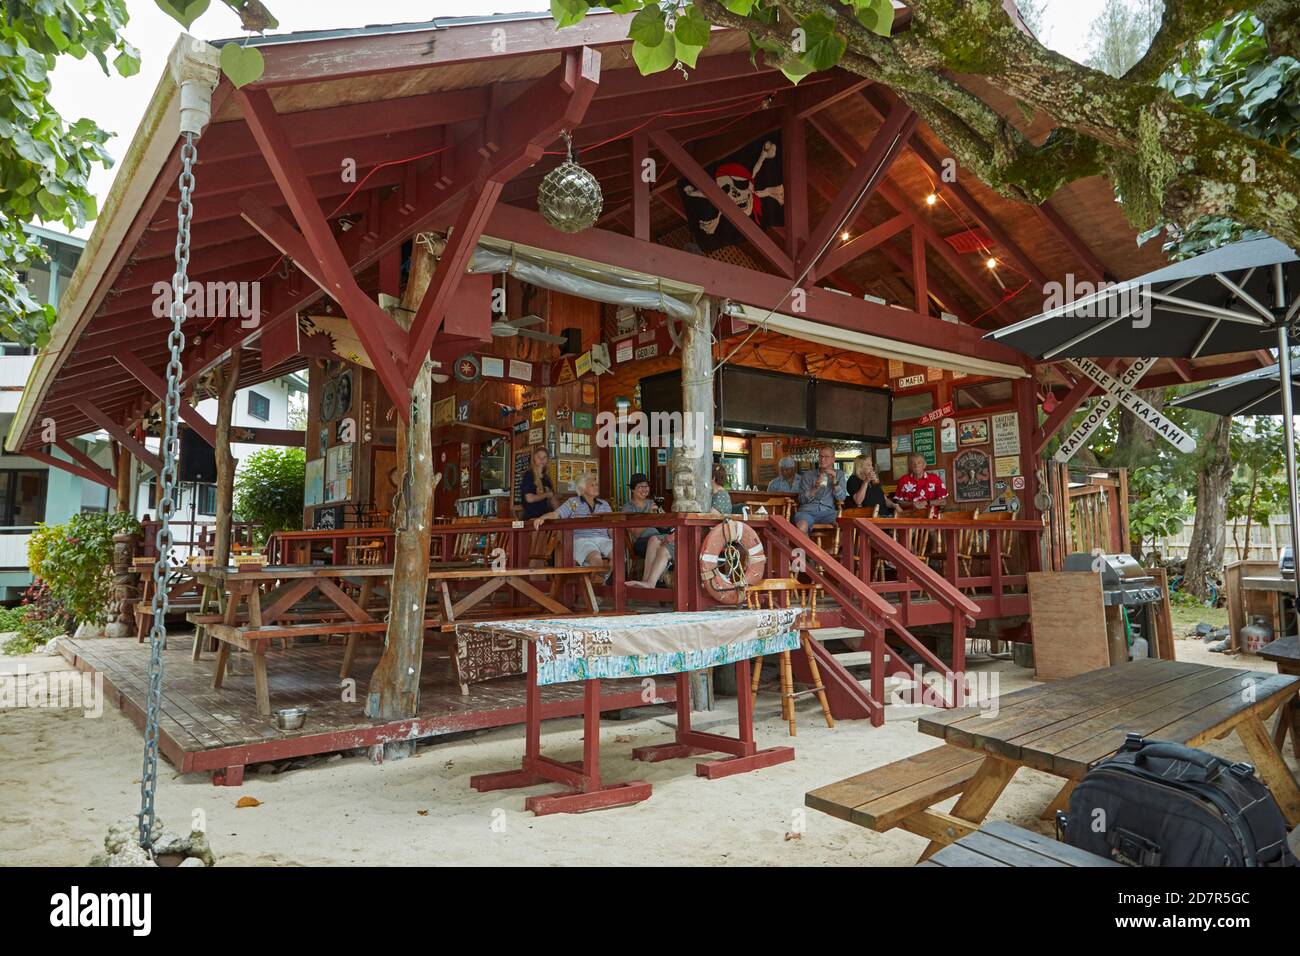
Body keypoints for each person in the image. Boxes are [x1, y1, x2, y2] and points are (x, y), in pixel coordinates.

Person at [629, 463, 732, 589]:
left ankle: (651, 583)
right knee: (654, 540)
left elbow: (705, 523)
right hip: (695, 534)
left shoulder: (721, 496)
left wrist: (675, 535)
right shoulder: (709, 496)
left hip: (705, 538)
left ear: (713, 478)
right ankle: (646, 580)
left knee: (666, 548)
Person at [533, 472, 613, 567]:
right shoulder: (574, 502)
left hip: (602, 539)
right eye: (592, 485)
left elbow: (611, 527)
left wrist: (617, 538)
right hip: (582, 540)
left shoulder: (604, 504)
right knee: (596, 559)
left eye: (596, 484)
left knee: (618, 554)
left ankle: (601, 576)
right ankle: (595, 575)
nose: (596, 487)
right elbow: (557, 514)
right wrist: (542, 517)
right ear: (582, 489)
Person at [794, 446, 846, 533]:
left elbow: (841, 498)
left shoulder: (839, 474)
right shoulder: (808, 475)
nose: (822, 459)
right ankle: (807, 543)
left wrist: (835, 482)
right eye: (821, 456)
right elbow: (801, 500)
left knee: (847, 524)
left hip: (828, 512)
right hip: (808, 512)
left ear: (833, 459)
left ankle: (832, 543)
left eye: (826, 457)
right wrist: (815, 488)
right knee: (802, 527)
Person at [621, 473, 664, 559]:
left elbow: (665, 524)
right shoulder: (628, 508)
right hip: (640, 542)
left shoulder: (652, 503)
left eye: (646, 486)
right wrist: (649, 516)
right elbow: (636, 533)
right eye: (640, 486)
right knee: (659, 544)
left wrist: (661, 513)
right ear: (632, 489)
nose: (644, 489)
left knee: (675, 540)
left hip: (659, 536)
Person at [519, 447, 558, 520]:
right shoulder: (529, 475)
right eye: (539, 457)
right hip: (531, 518)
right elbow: (529, 499)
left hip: (544, 517)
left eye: (544, 457)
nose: (541, 459)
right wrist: (546, 494)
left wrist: (560, 513)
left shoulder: (546, 478)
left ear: (547, 460)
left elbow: (552, 498)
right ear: (534, 458)